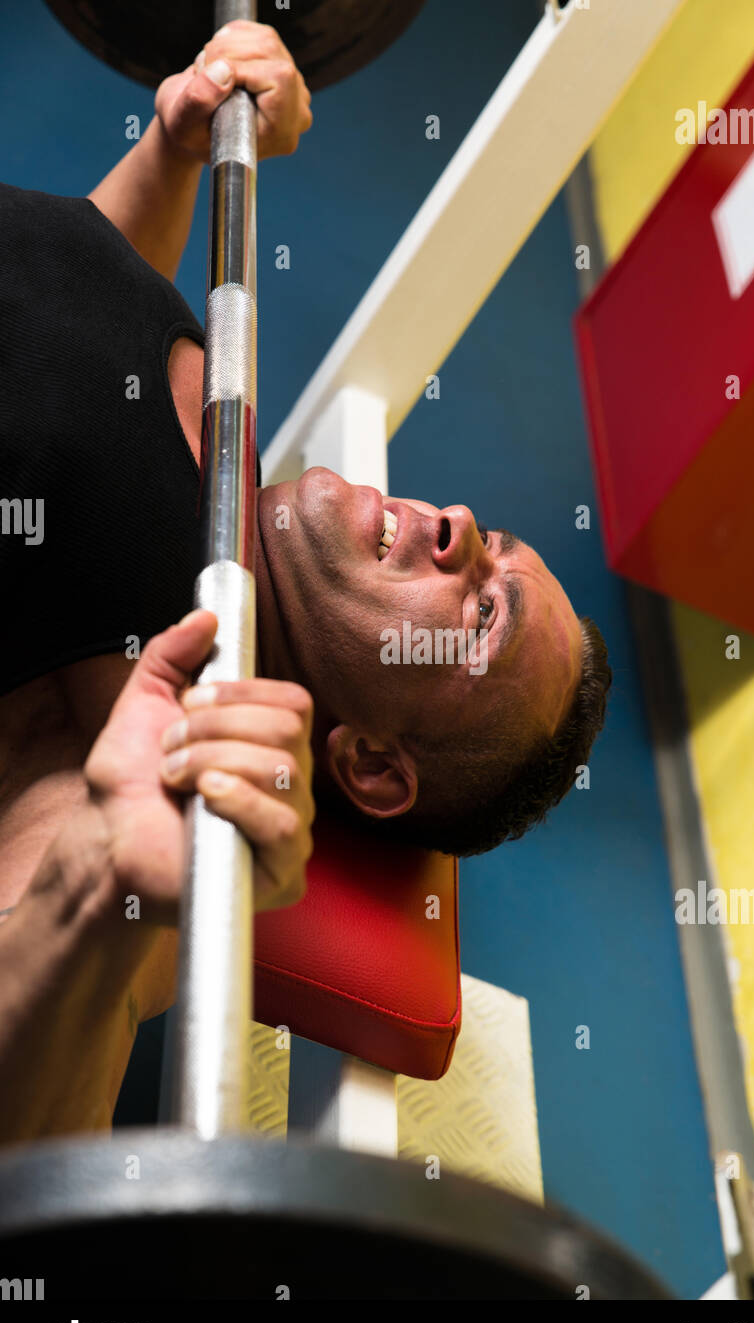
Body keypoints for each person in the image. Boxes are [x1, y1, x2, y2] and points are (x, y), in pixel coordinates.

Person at [0, 20, 611, 1140]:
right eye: (496, 539)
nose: (463, 525)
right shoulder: (224, 464)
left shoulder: (143, 731)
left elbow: (25, 1124)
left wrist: (97, 887)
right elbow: (62, 310)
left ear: (371, 764)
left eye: (480, 609)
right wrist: (177, 152)